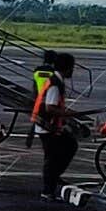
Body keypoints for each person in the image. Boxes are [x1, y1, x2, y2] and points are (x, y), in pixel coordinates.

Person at [33, 51, 77, 201]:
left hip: (47, 125)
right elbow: (50, 107)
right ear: (67, 68)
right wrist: (68, 113)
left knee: (66, 147)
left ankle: (53, 179)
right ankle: (48, 189)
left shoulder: (55, 80)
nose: (73, 71)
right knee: (55, 156)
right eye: (72, 67)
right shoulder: (55, 84)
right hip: (47, 126)